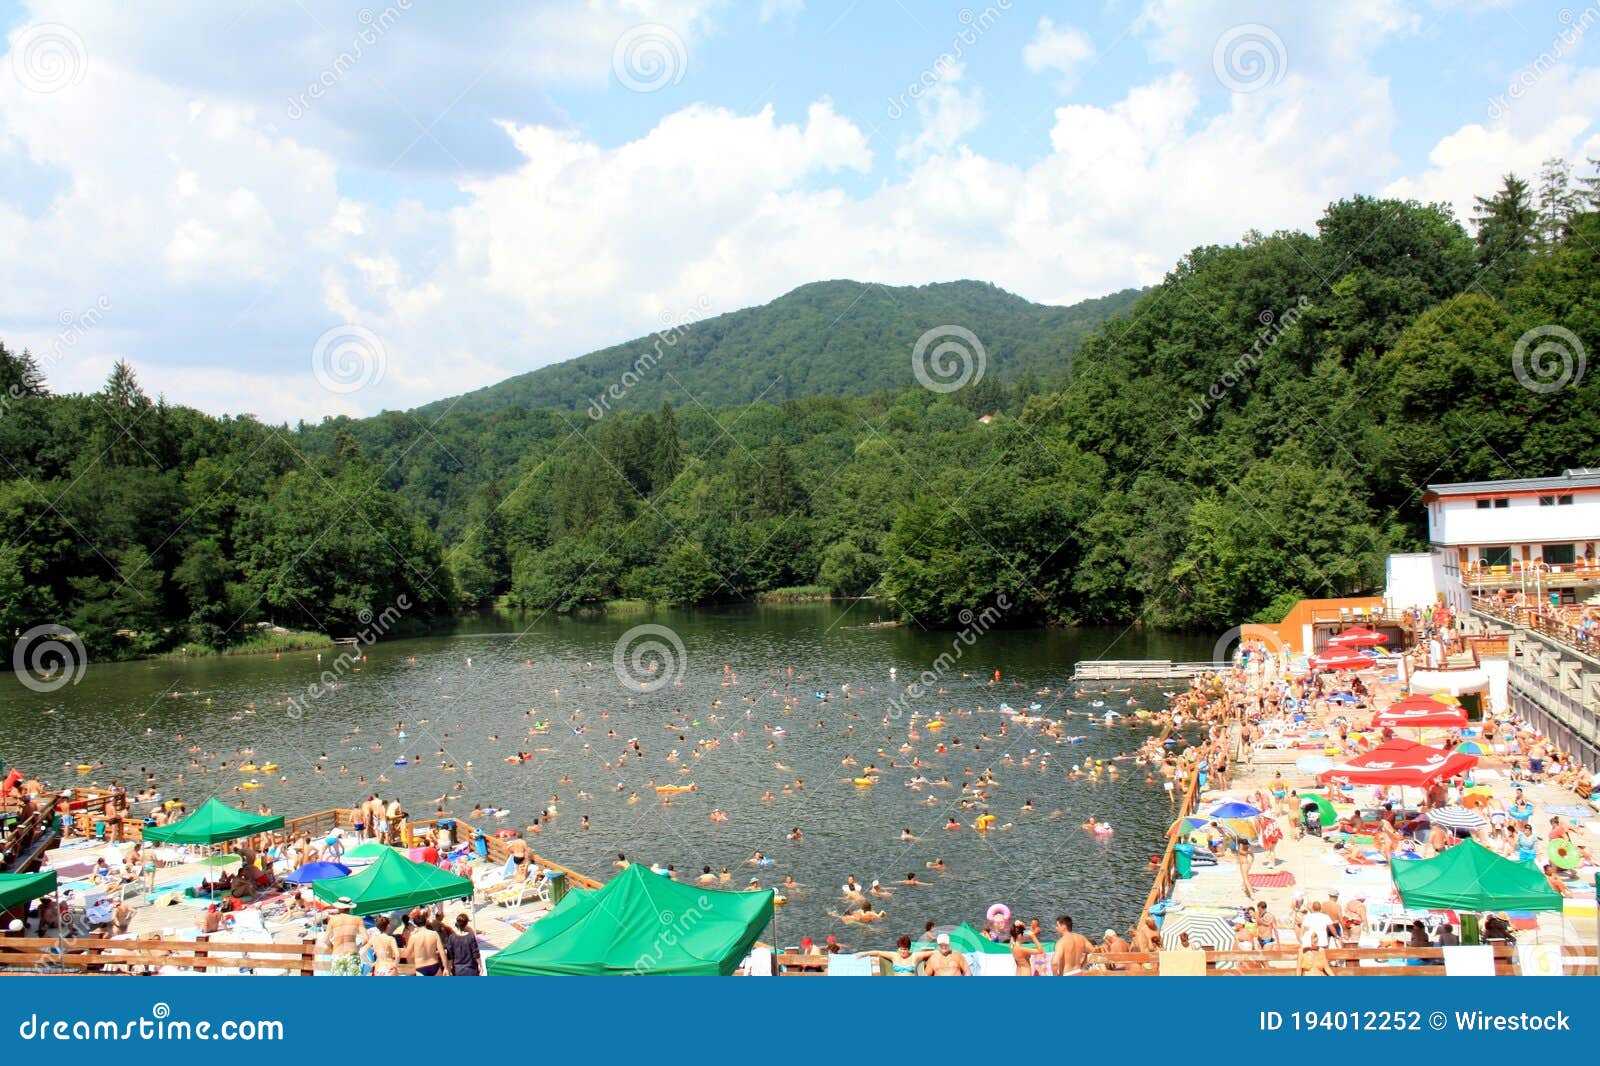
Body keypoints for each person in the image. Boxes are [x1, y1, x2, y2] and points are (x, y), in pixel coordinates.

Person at [322, 897, 363, 975]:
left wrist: (333, 947)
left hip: (337, 955)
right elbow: (366, 939)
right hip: (352, 954)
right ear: (349, 907)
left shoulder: (333, 920)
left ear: (339, 906)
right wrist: (358, 947)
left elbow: (325, 940)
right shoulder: (357, 919)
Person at [856, 935, 923, 976]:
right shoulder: (894, 955)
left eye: (905, 949)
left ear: (908, 949)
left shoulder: (914, 956)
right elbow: (878, 952)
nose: (902, 951)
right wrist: (864, 953)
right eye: (901, 949)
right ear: (898, 948)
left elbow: (931, 953)